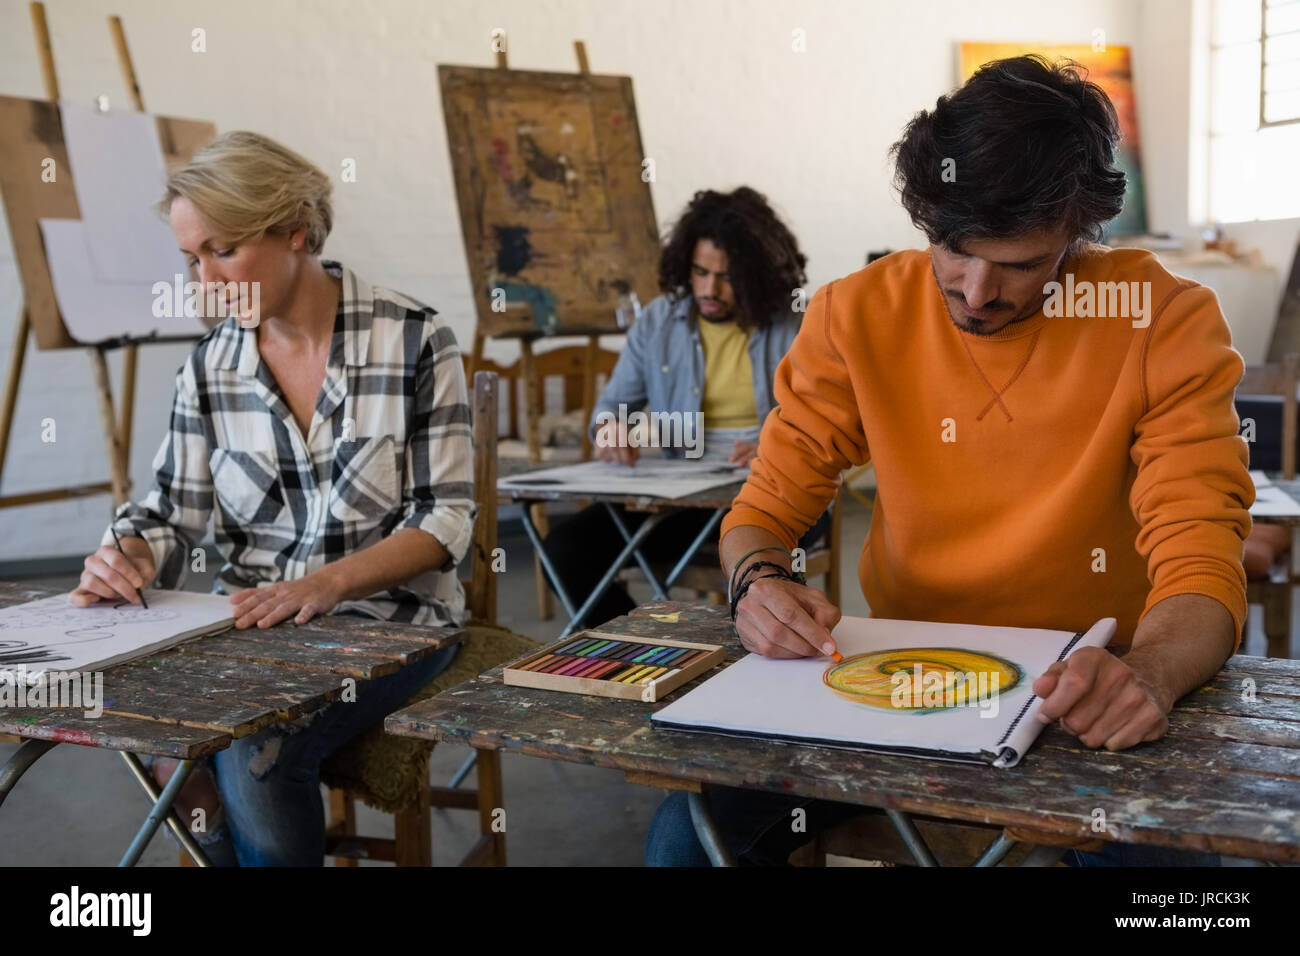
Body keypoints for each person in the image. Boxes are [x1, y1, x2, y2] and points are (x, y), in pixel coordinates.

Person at [647, 56, 1248, 866]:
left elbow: (1201, 564)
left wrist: (1148, 675)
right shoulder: (856, 313)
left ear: (1080, 234)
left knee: (1182, 890)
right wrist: (756, 584)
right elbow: (763, 512)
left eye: (1022, 265)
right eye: (953, 250)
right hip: (896, 683)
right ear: (926, 214)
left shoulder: (1163, 319)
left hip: (1089, 697)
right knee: (686, 841)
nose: (973, 292)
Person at [69, 131, 475, 866]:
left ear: (296, 230)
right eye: (192, 259)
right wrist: (125, 557)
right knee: (142, 729)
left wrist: (325, 585)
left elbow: (445, 520)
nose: (204, 281)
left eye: (222, 251)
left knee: (257, 744)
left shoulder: (416, 338)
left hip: (394, 623)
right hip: (255, 629)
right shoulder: (209, 366)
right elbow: (167, 512)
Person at [543, 187, 821, 628]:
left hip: (774, 493)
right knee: (564, 549)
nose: (710, 289)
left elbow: (825, 423)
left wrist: (778, 448)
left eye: (727, 277)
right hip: (682, 497)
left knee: (761, 555)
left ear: (757, 274)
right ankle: (639, 645)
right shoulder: (657, 322)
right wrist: (611, 430)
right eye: (700, 272)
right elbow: (609, 412)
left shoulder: (796, 321)